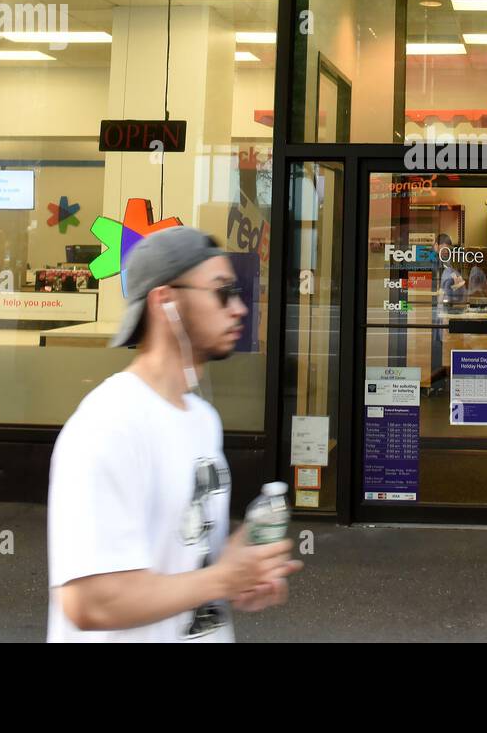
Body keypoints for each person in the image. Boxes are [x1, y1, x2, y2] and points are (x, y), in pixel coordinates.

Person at [46, 226, 301, 642]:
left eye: (237, 293)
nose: (238, 308)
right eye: (221, 292)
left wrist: (237, 570)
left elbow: (185, 567)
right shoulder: (108, 424)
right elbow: (89, 601)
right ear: (166, 302)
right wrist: (222, 579)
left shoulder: (202, 419)